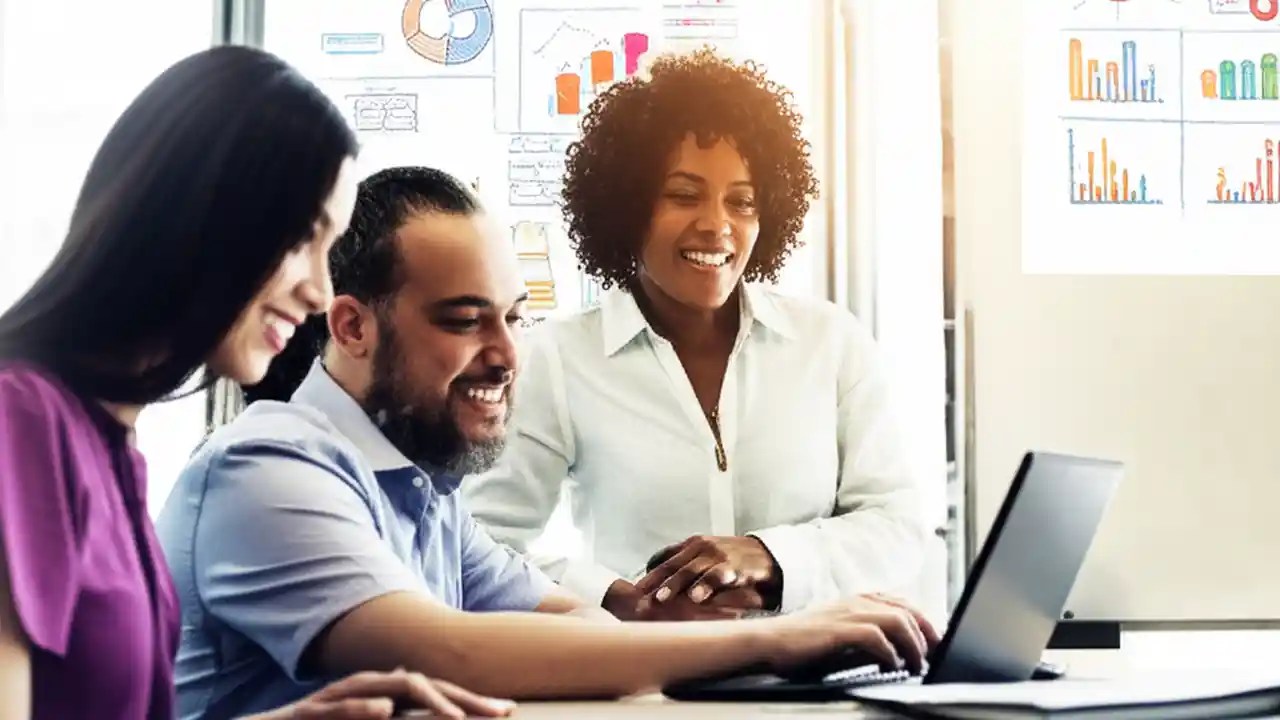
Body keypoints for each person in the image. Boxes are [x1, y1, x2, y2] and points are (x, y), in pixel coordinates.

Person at [157, 164, 940, 715]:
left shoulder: (423, 494)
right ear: (353, 326)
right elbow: (445, 651)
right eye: (465, 321)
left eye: (514, 317)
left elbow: (585, 626)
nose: (505, 355)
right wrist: (775, 641)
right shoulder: (269, 469)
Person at [0, 47, 514, 720]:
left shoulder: (112, 448)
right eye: (303, 239)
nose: (319, 291)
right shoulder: (21, 424)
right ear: (202, 215)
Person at [462, 48, 928, 622]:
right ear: (627, 204)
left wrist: (770, 556)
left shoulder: (828, 343)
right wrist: (616, 601)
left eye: (743, 201)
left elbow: (899, 525)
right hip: (649, 685)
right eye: (683, 195)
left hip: (818, 677)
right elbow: (481, 542)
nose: (717, 224)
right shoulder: (558, 359)